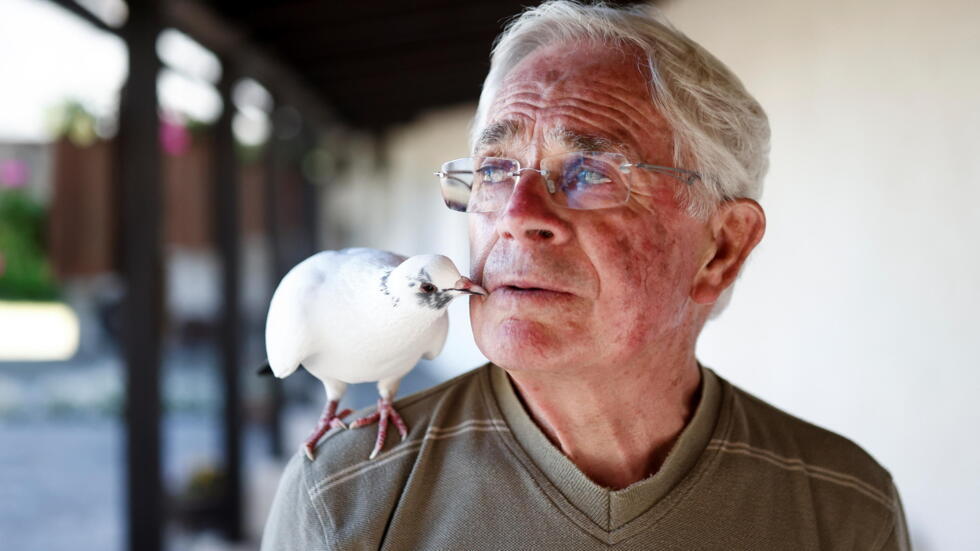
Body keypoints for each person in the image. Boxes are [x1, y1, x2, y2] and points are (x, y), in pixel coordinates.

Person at [261, 2, 910, 549]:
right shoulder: (346, 497)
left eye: (591, 173)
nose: (516, 217)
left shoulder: (842, 507)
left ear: (722, 248)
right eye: (493, 169)